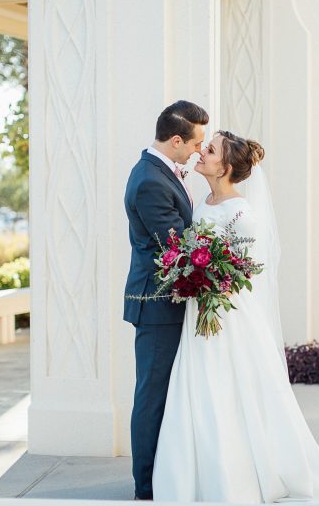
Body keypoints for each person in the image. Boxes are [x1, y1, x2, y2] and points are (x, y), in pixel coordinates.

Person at [151, 130, 319, 503]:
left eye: (210, 150)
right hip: (200, 312)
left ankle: (239, 475)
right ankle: (196, 474)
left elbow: (245, 272)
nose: (201, 153)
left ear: (225, 167)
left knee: (227, 387)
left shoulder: (242, 213)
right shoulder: (203, 201)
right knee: (201, 386)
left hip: (228, 318)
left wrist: (205, 277)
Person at [123, 100, 208, 501]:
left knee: (163, 393)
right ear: (176, 140)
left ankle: (165, 476)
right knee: (153, 395)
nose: (198, 151)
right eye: (196, 144)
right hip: (157, 304)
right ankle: (147, 487)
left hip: (169, 303)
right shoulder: (151, 181)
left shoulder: (159, 172)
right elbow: (175, 248)